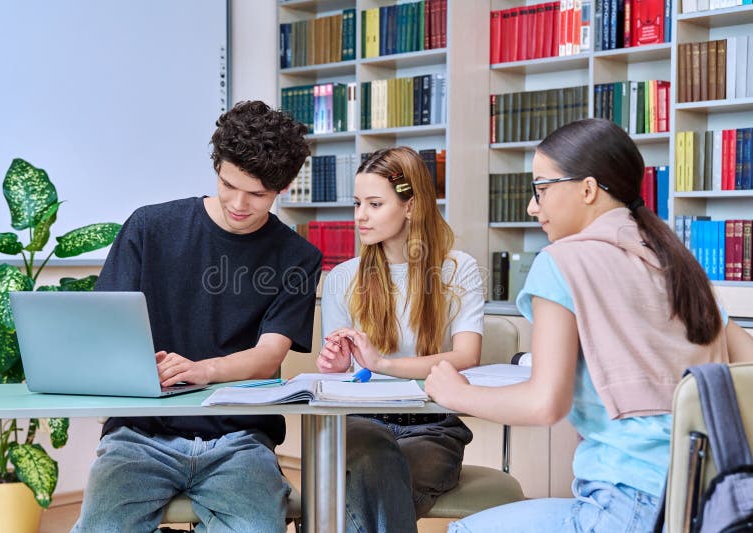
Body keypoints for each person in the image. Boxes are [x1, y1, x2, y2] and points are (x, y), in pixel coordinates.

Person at [425, 118, 753, 533]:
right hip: (703, 501)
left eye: (541, 189)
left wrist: (457, 393)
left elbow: (544, 403)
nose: (532, 207)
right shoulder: (676, 263)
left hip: (628, 504)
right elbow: (745, 369)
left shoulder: (561, 263)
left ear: (588, 189)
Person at [71, 100, 322, 532]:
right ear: (217, 166)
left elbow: (268, 356)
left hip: (240, 440)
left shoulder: (298, 257)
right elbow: (106, 331)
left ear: (282, 188)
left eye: (257, 194)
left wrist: (202, 371)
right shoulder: (149, 227)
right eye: (228, 184)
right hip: (139, 436)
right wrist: (129, 366)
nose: (239, 203)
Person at [317, 146, 484, 533]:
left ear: (410, 206)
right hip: (362, 423)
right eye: (357, 203)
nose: (360, 215)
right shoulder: (343, 277)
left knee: (361, 483)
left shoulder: (458, 268)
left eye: (375, 204)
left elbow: (466, 355)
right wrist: (337, 366)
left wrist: (383, 364)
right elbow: (341, 378)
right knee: (373, 460)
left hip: (432, 427)